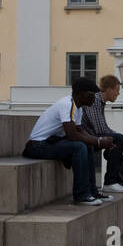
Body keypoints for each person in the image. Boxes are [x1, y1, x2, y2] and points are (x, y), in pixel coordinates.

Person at [22, 77, 115, 205]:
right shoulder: (68, 104)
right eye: (91, 95)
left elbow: (80, 131)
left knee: (87, 146)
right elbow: (72, 135)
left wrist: (98, 140)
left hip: (50, 142)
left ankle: (92, 192)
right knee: (79, 147)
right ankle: (81, 195)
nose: (94, 98)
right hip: (36, 146)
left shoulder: (78, 108)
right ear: (80, 94)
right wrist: (99, 142)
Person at [82, 75, 123, 193]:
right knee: (119, 139)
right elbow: (100, 129)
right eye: (117, 91)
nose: (118, 94)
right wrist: (114, 139)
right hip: (85, 137)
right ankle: (110, 182)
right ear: (109, 89)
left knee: (118, 138)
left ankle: (111, 178)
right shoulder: (95, 101)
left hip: (88, 135)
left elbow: (103, 128)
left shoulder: (100, 101)